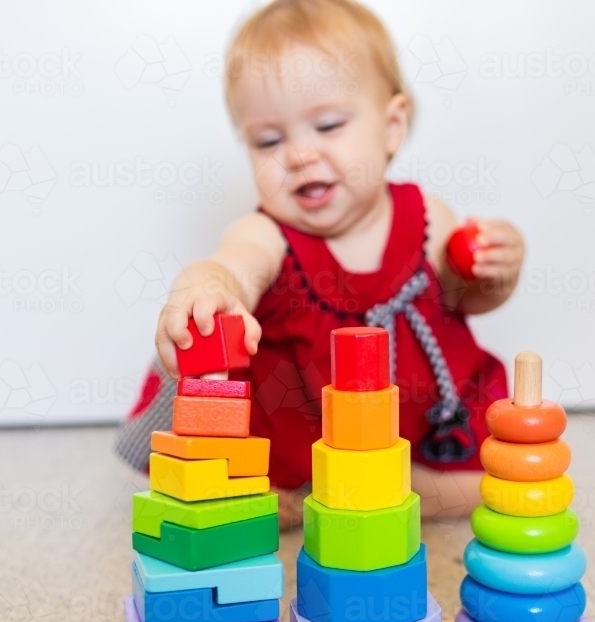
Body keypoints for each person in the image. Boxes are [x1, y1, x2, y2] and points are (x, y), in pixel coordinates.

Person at [115, 0, 524, 528]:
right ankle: (316, 489)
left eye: (328, 125)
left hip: (416, 423)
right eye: (269, 140)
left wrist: (494, 273)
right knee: (225, 480)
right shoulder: (268, 234)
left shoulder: (428, 218)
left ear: (391, 126)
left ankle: (394, 485)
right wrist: (205, 289)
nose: (299, 154)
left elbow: (464, 299)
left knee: (500, 476)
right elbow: (230, 267)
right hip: (306, 433)